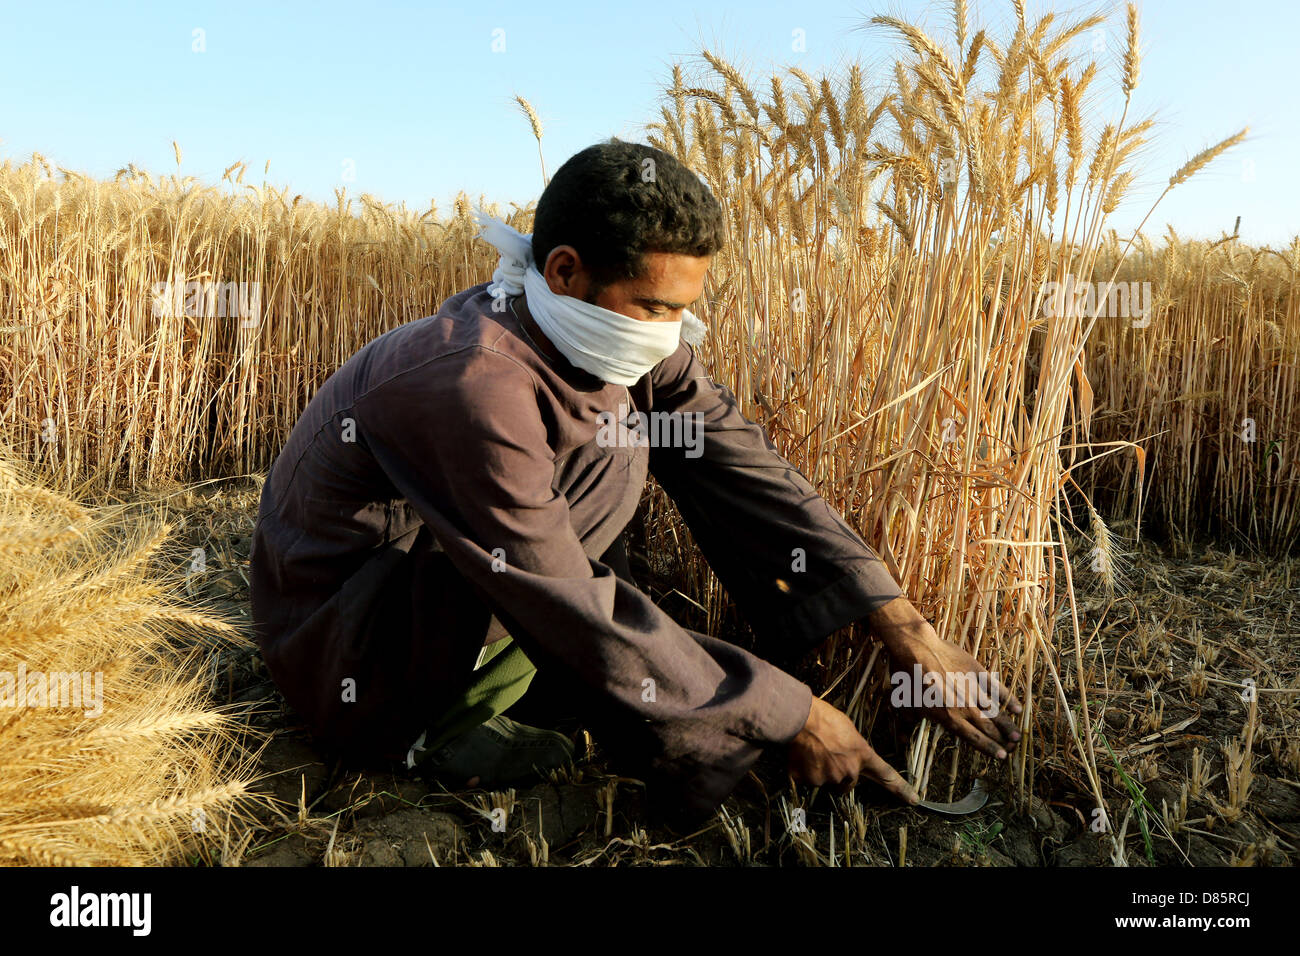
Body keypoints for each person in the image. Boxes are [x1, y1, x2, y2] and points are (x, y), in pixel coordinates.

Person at [248, 139, 1021, 826]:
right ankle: (433, 729)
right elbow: (560, 588)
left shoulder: (602, 333)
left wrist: (909, 633)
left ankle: (555, 685)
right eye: (653, 305)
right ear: (564, 270)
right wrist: (792, 715)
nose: (668, 332)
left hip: (439, 597)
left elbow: (745, 466)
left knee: (630, 437)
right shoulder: (473, 381)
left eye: (683, 311)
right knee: (613, 455)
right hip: (351, 649)